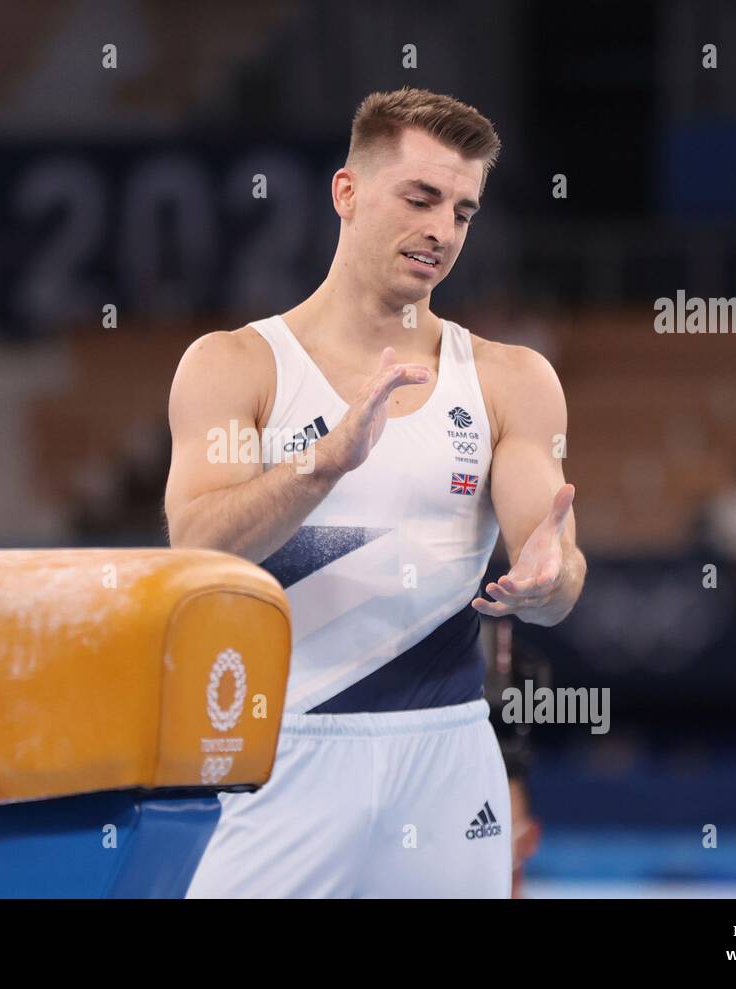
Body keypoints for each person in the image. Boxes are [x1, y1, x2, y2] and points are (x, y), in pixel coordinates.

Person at [164, 87, 585, 897]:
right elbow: (197, 547)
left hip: (447, 757)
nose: (441, 230)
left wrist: (549, 580)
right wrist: (321, 465)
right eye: (421, 198)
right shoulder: (236, 366)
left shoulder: (509, 380)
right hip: (276, 757)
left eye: (463, 211)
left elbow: (557, 575)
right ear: (346, 193)